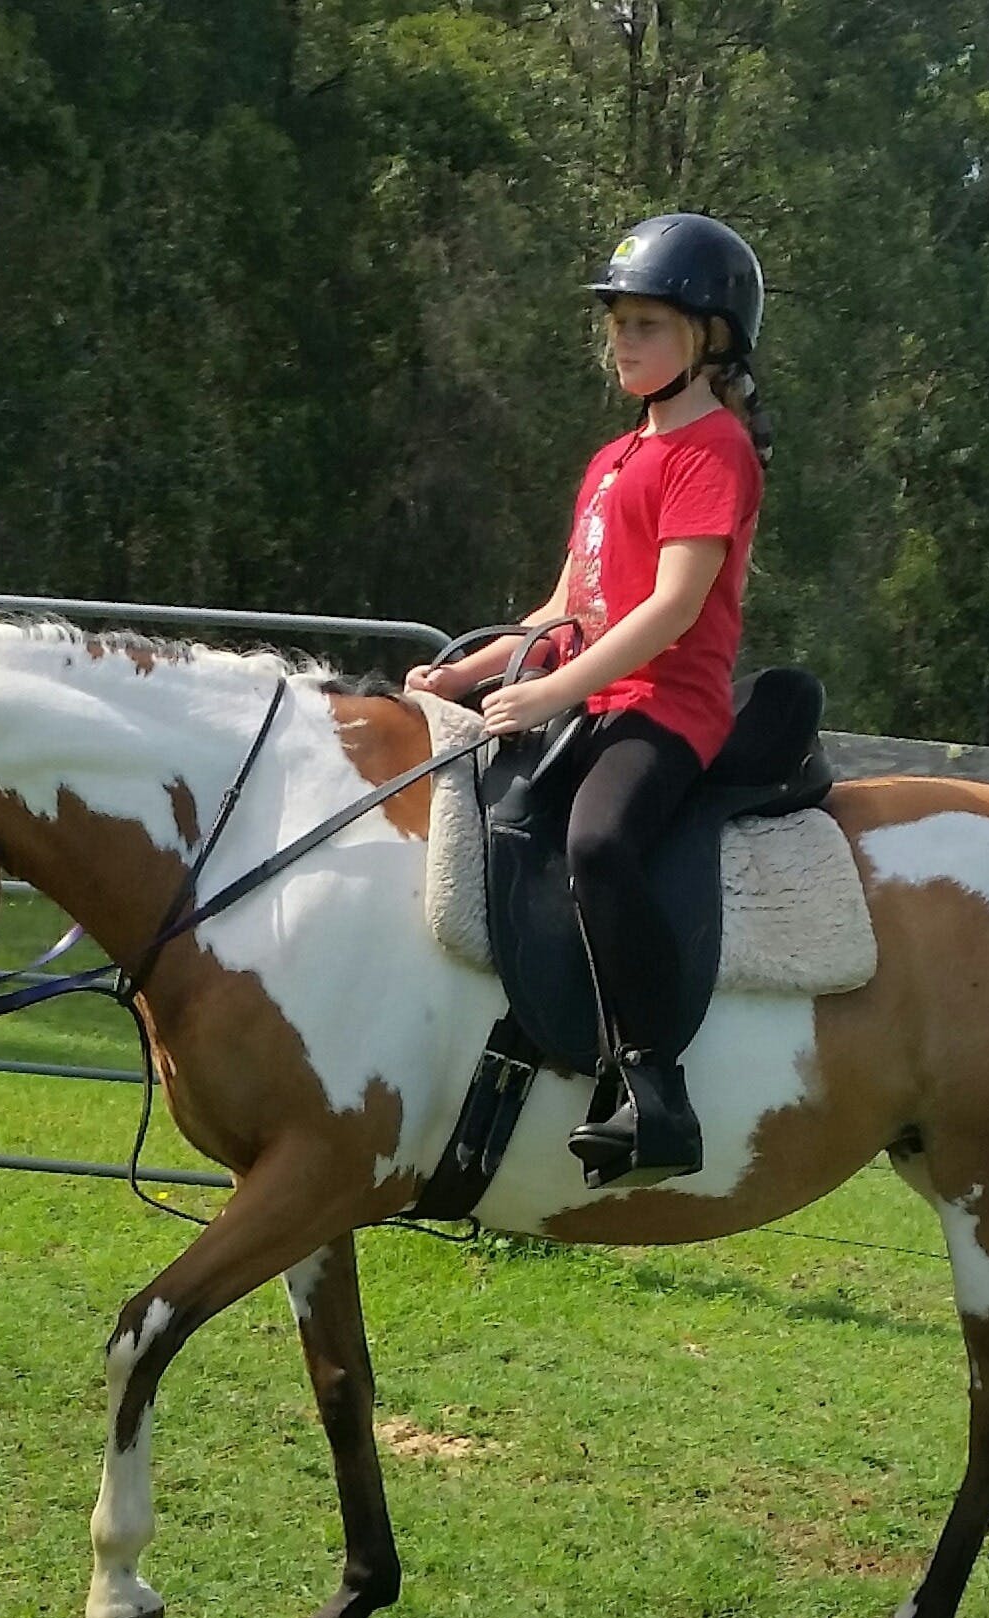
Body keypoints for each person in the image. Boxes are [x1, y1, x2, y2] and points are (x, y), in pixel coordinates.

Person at [407, 212, 771, 1188]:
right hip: (590, 699)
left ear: (708, 338)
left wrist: (549, 693)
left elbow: (671, 607)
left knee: (599, 843)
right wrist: (464, 673)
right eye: (616, 323)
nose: (622, 340)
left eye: (646, 324)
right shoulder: (611, 461)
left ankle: (654, 1090)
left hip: (666, 707)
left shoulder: (714, 451)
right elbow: (566, 602)